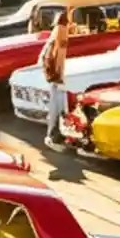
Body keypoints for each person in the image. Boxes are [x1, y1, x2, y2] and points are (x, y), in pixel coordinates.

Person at [39, 11, 71, 150]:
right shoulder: (61, 32)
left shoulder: (55, 33)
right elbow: (59, 54)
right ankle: (53, 136)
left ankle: (52, 134)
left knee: (55, 107)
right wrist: (58, 75)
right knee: (58, 107)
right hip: (57, 77)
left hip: (53, 76)